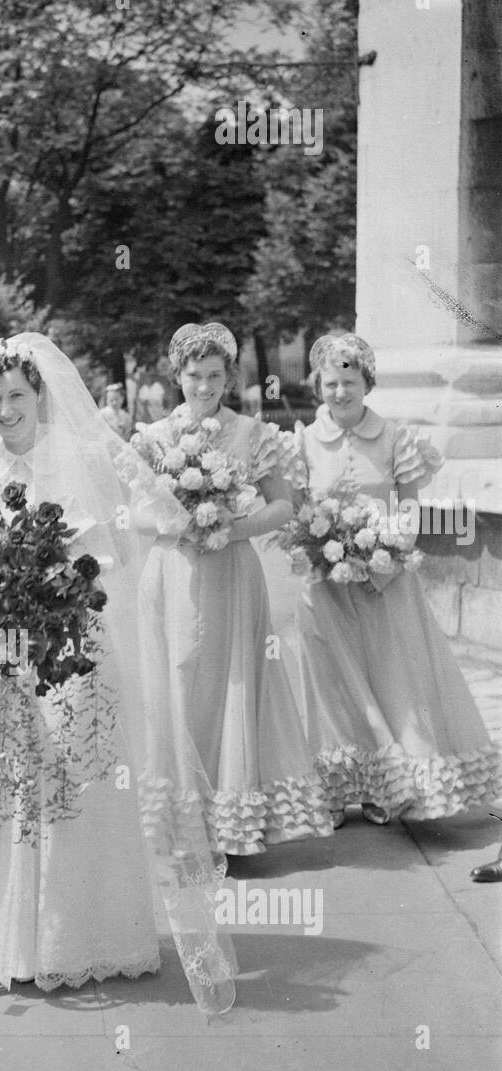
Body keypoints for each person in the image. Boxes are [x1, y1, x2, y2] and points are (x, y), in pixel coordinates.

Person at [0, 333, 237, 1011]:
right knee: (8, 776)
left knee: (82, 772)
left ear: (40, 394)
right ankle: (12, 942)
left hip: (73, 633)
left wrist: (79, 556)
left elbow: (154, 514)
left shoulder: (81, 447)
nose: (6, 409)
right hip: (1, 636)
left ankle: (88, 934)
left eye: (18, 395)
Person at [133, 322, 334, 856]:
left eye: (215, 376)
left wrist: (229, 528)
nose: (204, 387)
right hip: (174, 573)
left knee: (233, 681)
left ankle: (232, 823)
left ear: (230, 377)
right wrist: (178, 522)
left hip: (232, 574)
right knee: (177, 679)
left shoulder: (252, 434)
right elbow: (132, 514)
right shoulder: (152, 439)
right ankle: (181, 823)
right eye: (194, 375)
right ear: (177, 376)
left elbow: (284, 506)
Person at [291, 333, 501, 827]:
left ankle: (388, 789)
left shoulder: (396, 438)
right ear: (319, 384)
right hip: (325, 583)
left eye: (350, 381)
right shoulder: (301, 442)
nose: (340, 392)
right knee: (334, 687)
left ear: (367, 383)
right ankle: (338, 789)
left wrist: (382, 555)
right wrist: (316, 554)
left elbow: (408, 510)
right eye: (331, 382)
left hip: (384, 582)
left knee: (391, 682)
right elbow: (300, 513)